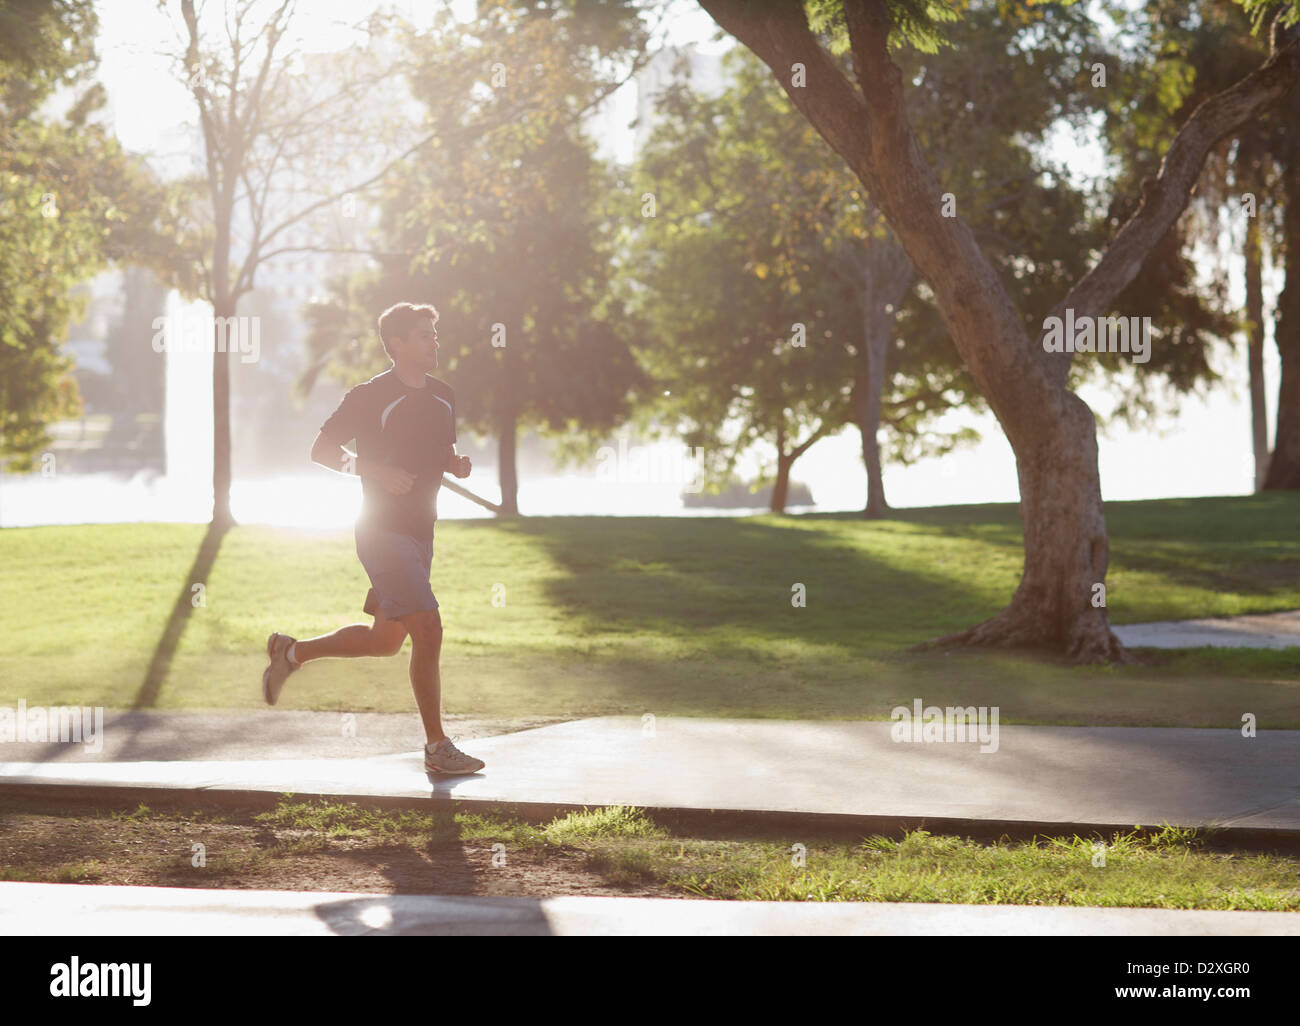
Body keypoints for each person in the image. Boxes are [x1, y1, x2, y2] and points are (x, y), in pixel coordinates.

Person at [260, 301, 484, 775]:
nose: (434, 341)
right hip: (383, 532)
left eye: (434, 334)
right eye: (424, 334)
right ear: (397, 344)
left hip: (422, 533)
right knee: (430, 630)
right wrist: (374, 468)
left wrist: (454, 463)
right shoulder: (369, 396)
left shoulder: (444, 395)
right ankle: (437, 748)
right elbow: (321, 451)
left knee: (386, 641)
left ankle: (291, 652)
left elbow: (437, 450)